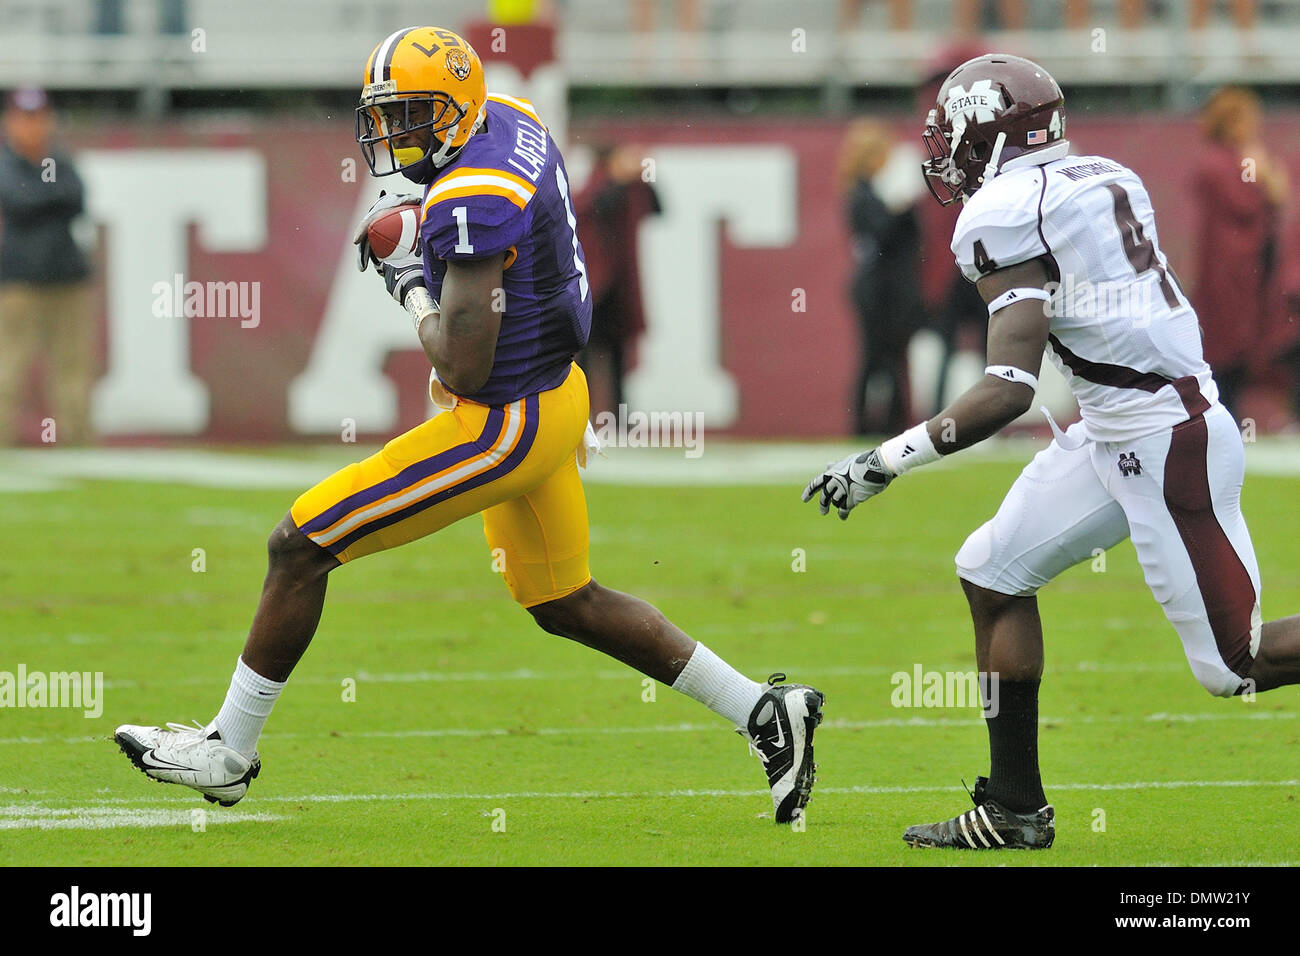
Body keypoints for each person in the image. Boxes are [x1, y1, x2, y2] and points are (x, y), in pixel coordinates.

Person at [114, 27, 823, 825]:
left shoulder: (472, 199)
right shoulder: (513, 118)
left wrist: (411, 281)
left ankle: (228, 752)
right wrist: (429, 232)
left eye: (412, 115)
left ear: (454, 112)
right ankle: (765, 712)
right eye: (386, 115)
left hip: (502, 421)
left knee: (299, 545)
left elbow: (461, 366)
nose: (394, 133)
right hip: (558, 394)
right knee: (564, 600)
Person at [803, 54, 1300, 849]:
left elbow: (1006, 389)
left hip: (1164, 440)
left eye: (956, 134)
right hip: (1119, 425)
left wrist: (881, 462)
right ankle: (1013, 808)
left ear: (993, 137)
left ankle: (1014, 807)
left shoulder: (1001, 212)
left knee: (1234, 664)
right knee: (992, 571)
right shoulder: (1102, 173)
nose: (945, 154)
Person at [0, 87, 94, 446]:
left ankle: (79, 442)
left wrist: (41, 198)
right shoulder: (8, 162)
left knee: (73, 369)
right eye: (25, 118)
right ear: (10, 122)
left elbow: (76, 198)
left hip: (67, 280)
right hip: (21, 283)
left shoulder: (59, 161)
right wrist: (49, 199)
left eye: (38, 118)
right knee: (9, 368)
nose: (32, 127)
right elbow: (19, 201)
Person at [1189, 86, 1288, 417]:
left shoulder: (1244, 159)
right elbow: (1250, 206)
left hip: (1250, 277)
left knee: (1242, 355)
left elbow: (1276, 199)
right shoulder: (1219, 165)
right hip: (1227, 278)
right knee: (1223, 355)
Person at [838, 120, 923, 435]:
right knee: (873, 359)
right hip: (875, 290)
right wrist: (900, 204)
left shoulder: (878, 191)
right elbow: (881, 233)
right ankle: (861, 426)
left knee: (895, 360)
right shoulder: (860, 193)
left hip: (895, 288)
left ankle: (893, 424)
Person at [575, 143, 661, 416]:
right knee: (586, 358)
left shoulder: (630, 189)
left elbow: (658, 208)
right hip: (595, 286)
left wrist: (646, 174)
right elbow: (597, 206)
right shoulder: (597, 185)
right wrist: (618, 178)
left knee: (619, 360)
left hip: (618, 289)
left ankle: (620, 420)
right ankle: (582, 417)